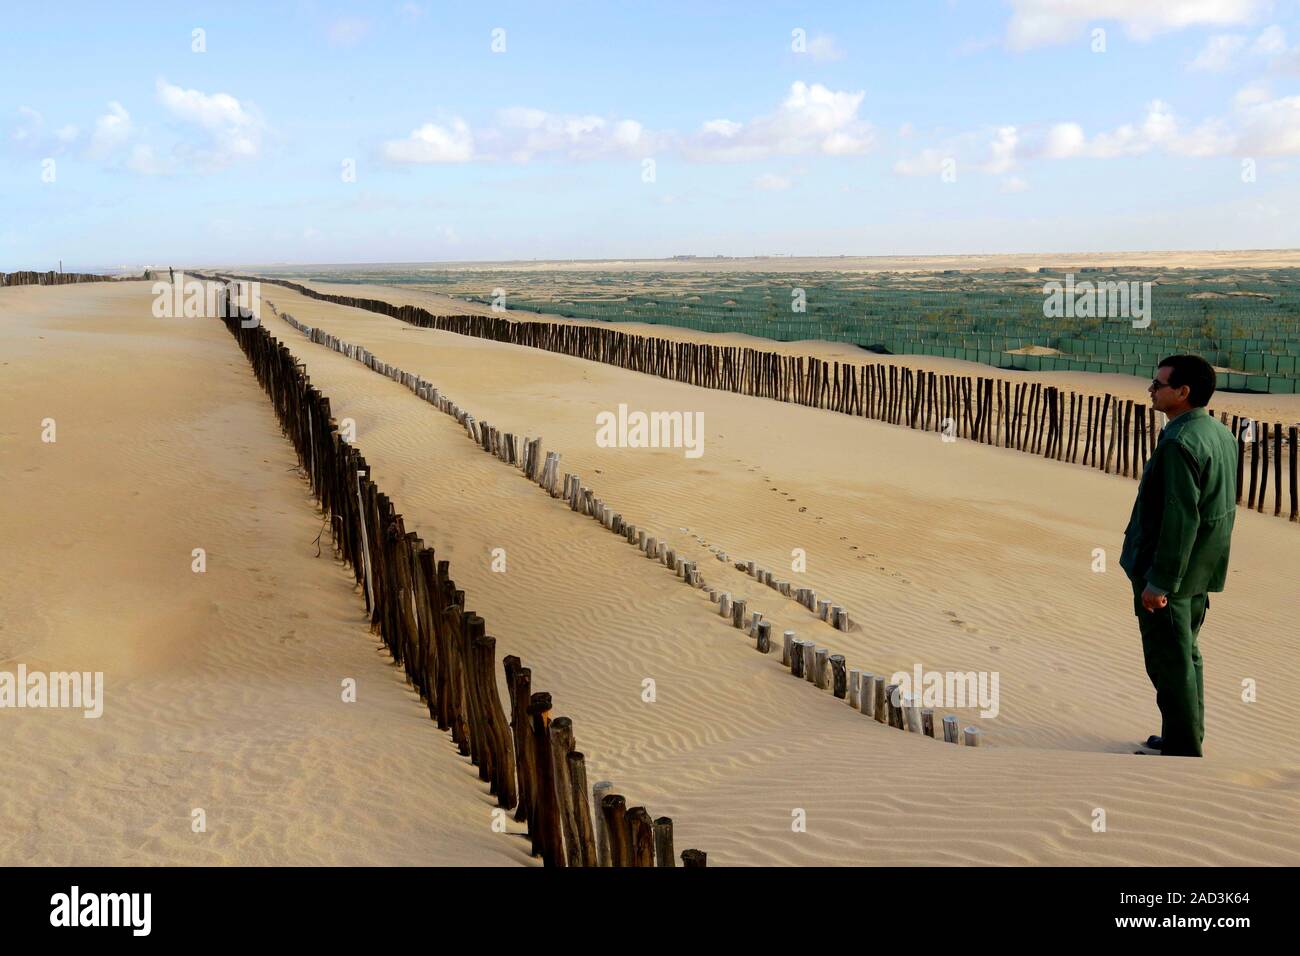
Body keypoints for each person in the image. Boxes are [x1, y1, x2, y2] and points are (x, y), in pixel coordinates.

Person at [1120, 354, 1238, 757]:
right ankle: (1182, 734)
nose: (1151, 390)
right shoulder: (1219, 434)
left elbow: (1181, 519)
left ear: (1183, 392)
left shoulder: (1179, 443)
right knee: (1186, 654)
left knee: (1170, 662)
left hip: (1171, 575)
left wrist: (1159, 582)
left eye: (1158, 384)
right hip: (1200, 571)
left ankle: (1182, 750)